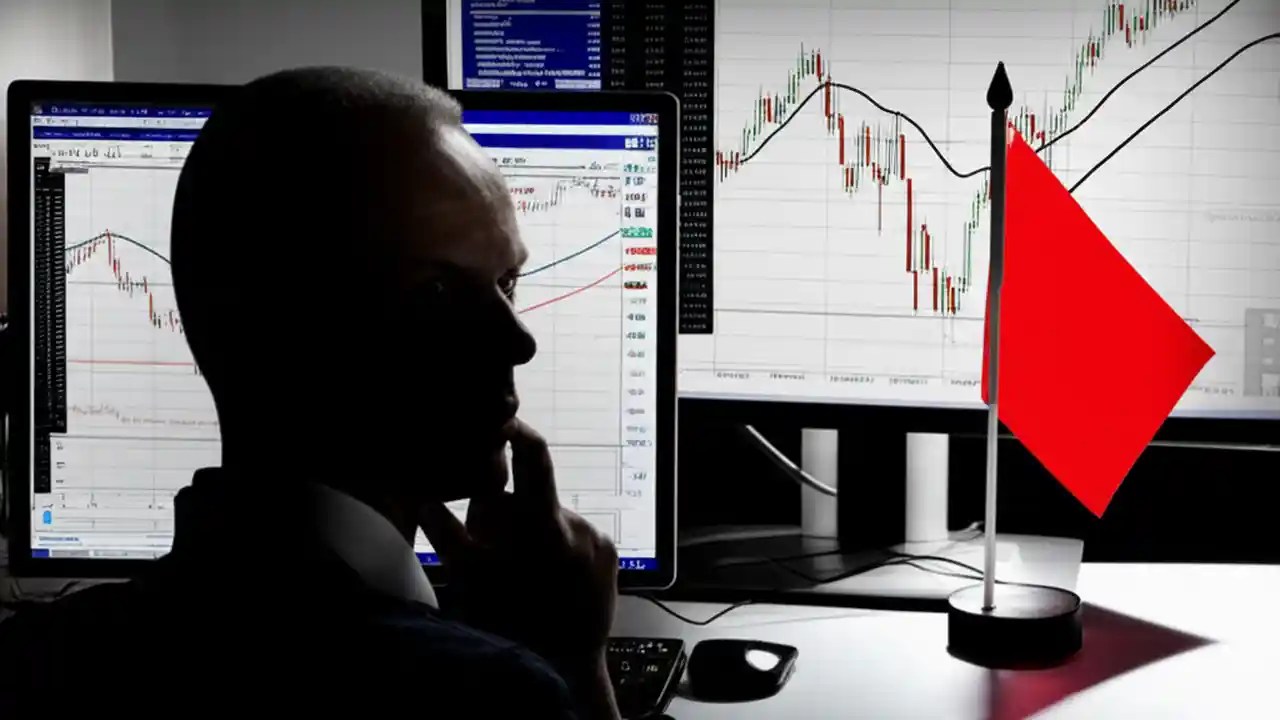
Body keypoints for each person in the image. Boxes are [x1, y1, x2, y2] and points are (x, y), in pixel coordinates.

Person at [0, 67, 621, 718]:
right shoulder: (493, 694)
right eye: (438, 292)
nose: (516, 341)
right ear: (282, 328)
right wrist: (574, 660)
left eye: (507, 284)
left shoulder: (33, 654)